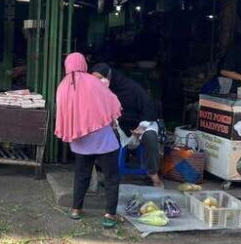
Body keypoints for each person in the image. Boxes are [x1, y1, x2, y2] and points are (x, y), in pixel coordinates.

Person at [55, 53, 123, 228]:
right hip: (103, 139)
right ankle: (109, 214)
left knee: (81, 176)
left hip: (80, 141)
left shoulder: (62, 86)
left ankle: (76, 210)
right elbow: (111, 101)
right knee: (111, 177)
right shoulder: (92, 81)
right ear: (83, 64)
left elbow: (63, 113)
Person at [90, 63, 163, 187]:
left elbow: (149, 106)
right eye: (94, 79)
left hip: (142, 124)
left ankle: (153, 174)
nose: (97, 81)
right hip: (121, 126)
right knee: (108, 137)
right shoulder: (101, 91)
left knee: (151, 138)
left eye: (99, 78)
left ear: (109, 76)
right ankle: (111, 175)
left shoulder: (132, 88)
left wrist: (142, 126)